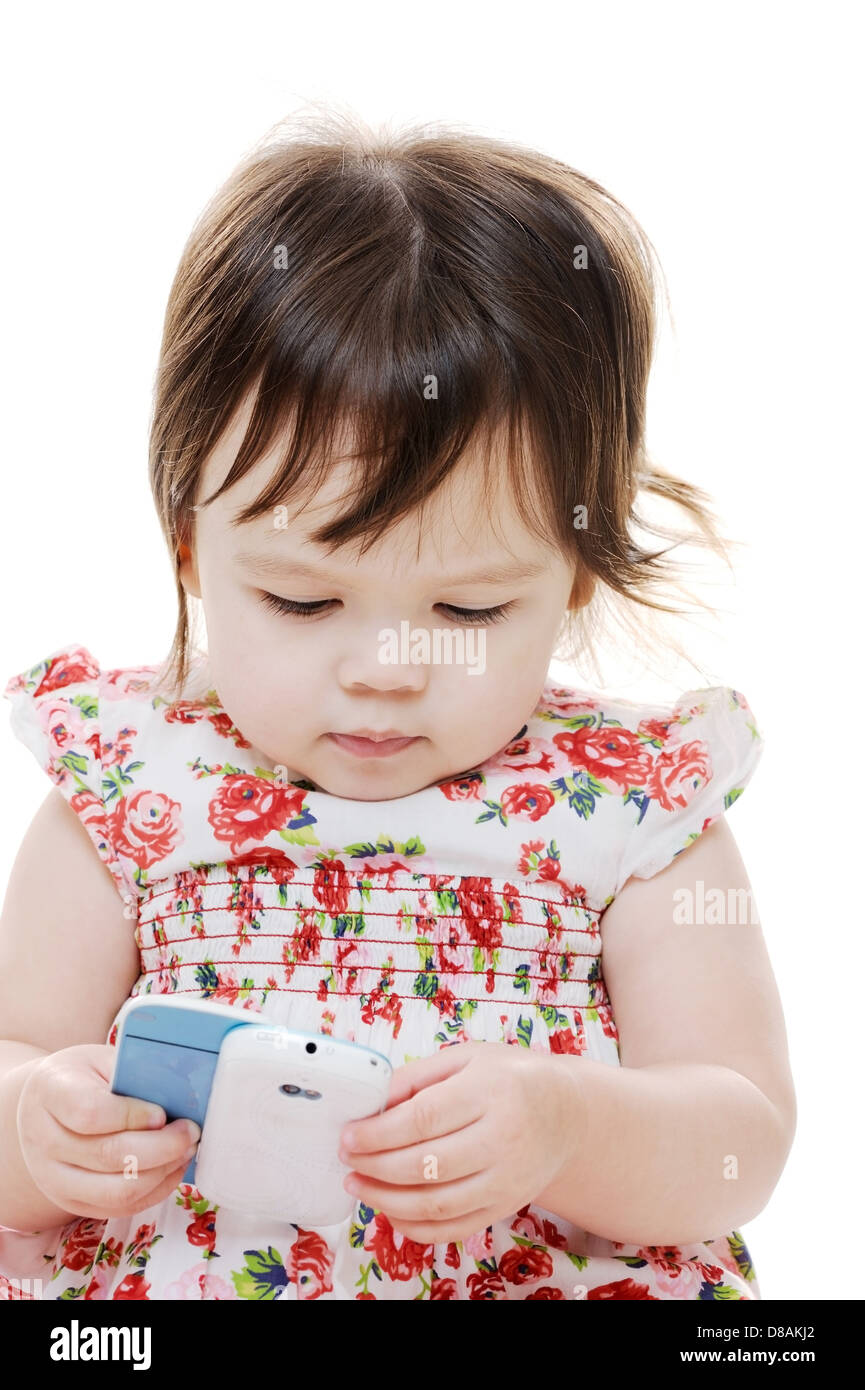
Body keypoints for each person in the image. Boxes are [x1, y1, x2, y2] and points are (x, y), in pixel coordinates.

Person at [0, 112, 795, 1301]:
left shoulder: (632, 808)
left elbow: (740, 1137)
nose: (385, 666)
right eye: (303, 598)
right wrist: (33, 1127)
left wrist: (570, 1123)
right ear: (189, 553)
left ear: (571, 572)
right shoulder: (131, 786)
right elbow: (14, 1057)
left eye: (469, 610)